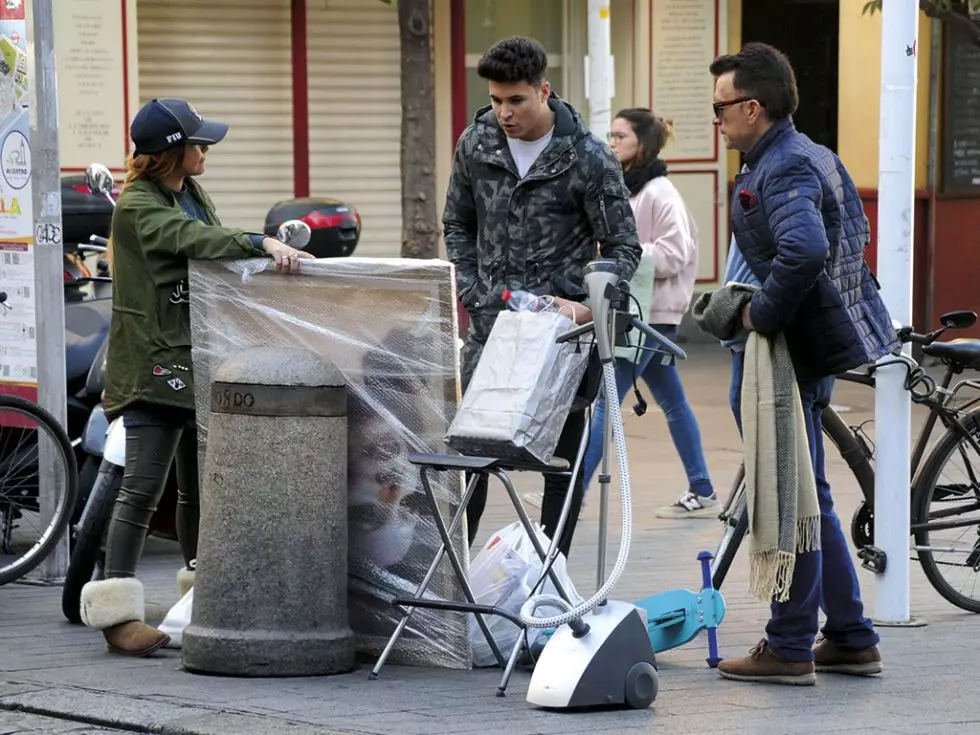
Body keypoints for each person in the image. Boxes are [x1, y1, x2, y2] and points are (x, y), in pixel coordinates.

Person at [78, 98, 313, 656]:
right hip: (152, 362)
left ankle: (200, 592)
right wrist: (259, 242)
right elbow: (193, 241)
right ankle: (117, 618)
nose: (206, 149)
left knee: (197, 490)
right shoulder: (138, 203)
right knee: (141, 487)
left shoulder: (187, 191)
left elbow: (209, 244)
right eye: (198, 142)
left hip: (195, 353)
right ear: (170, 152)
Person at [709, 43, 894, 684]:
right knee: (807, 492)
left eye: (721, 108)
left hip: (785, 358)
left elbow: (805, 248)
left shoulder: (781, 167)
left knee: (788, 496)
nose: (717, 120)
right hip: (812, 350)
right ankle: (850, 635)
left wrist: (762, 314)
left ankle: (789, 645)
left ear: (752, 108)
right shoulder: (813, 153)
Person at [443, 36, 641, 558]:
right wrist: (472, 290)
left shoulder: (589, 157)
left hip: (560, 341)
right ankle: (457, 585)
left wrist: (584, 306)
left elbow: (622, 246)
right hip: (491, 333)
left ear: (544, 91)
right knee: (472, 464)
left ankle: (546, 584)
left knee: (560, 467)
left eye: (516, 101)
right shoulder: (476, 144)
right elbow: (457, 224)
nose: (504, 113)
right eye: (495, 100)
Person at [588, 108, 717, 518]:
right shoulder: (633, 188)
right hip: (639, 311)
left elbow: (676, 255)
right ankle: (703, 488)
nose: (612, 143)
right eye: (611, 135)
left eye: (620, 136)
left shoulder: (659, 192)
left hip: (649, 314)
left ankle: (569, 494)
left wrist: (625, 256)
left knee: (606, 402)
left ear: (642, 143)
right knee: (672, 401)